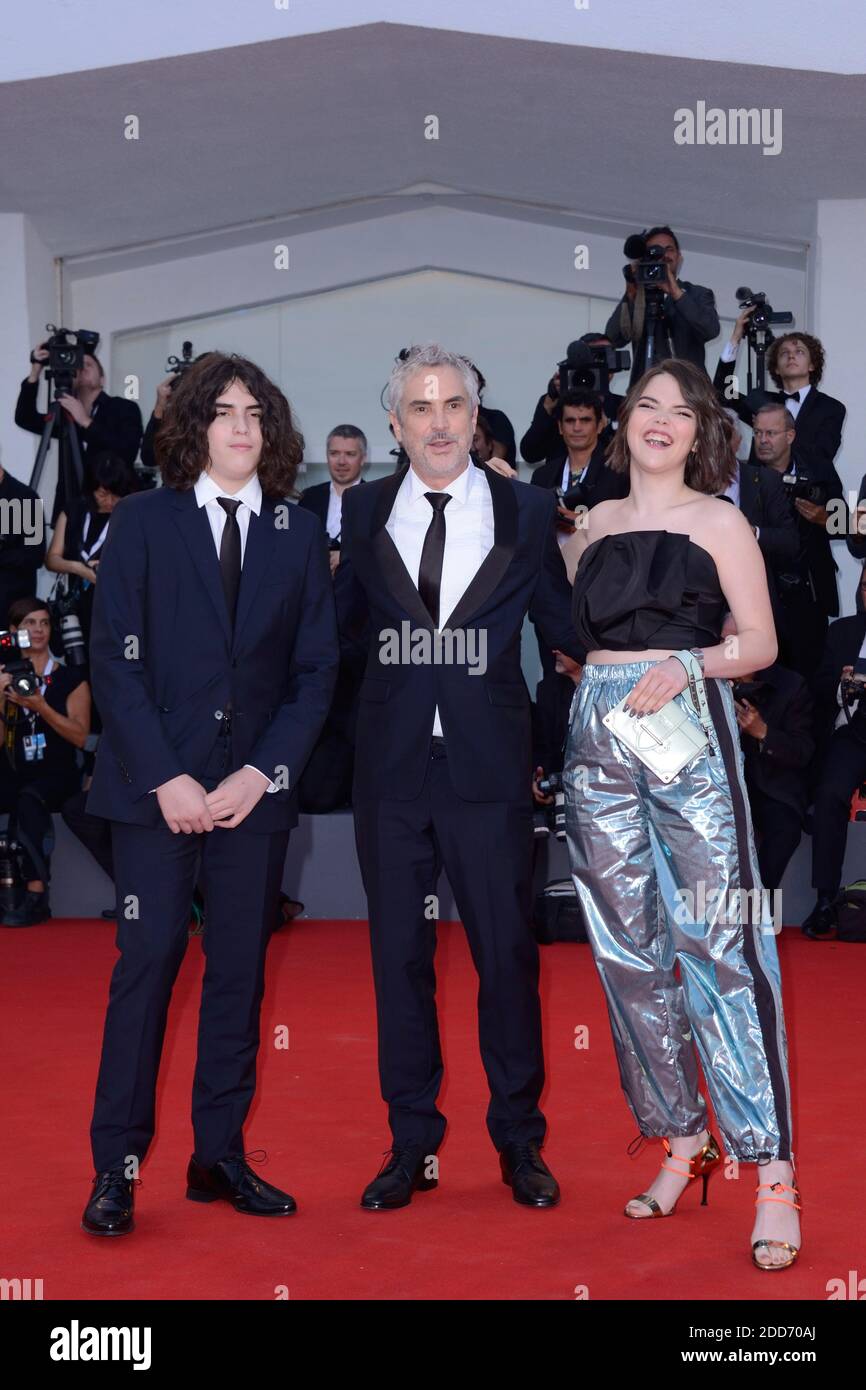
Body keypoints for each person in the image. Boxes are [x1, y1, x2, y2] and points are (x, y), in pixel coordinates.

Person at [80, 352, 338, 1237]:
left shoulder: (296, 531)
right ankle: (115, 1169)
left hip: (250, 799)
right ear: (193, 428)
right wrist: (168, 777)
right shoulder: (145, 524)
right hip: (155, 796)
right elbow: (112, 662)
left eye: (256, 414)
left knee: (238, 978)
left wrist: (256, 776)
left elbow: (315, 672)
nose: (241, 426)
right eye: (224, 411)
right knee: (147, 970)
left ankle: (217, 1157)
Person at [334, 342, 583, 1211]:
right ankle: (411, 1144)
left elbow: (566, 636)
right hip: (391, 777)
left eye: (454, 406)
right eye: (420, 407)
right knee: (397, 960)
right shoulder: (361, 514)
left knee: (506, 958)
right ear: (395, 425)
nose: (438, 422)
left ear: (476, 419)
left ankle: (520, 1141)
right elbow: (335, 640)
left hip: (490, 771)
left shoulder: (525, 509)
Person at [562, 359, 800, 1271]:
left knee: (720, 942)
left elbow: (763, 642)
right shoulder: (595, 522)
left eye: (680, 412)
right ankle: (679, 1138)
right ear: (623, 424)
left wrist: (695, 665)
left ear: (702, 432)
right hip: (600, 736)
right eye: (646, 407)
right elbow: (586, 636)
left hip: (690, 734)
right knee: (626, 954)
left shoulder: (720, 520)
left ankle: (772, 1171)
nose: (660, 422)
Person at [0, 599, 90, 926]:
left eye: (44, 623)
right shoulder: (4, 677)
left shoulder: (70, 678)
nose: (38, 630)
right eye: (28, 624)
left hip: (58, 774)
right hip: (14, 771)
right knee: (20, 791)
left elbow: (81, 737)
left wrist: (40, 706)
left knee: (29, 798)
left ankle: (37, 896)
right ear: (13, 633)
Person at [15, 342, 143, 522]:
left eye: (89, 365)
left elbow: (127, 451)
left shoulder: (123, 407)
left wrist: (85, 421)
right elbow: (24, 418)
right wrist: (35, 369)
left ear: (102, 379)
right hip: (72, 509)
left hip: (112, 506)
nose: (82, 368)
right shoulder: (66, 416)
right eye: (78, 365)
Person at [45, 450, 139, 653]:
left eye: (116, 495)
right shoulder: (74, 510)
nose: (110, 501)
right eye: (103, 494)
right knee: (77, 664)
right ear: (90, 490)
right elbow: (52, 560)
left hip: (115, 609)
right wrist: (79, 568)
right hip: (75, 607)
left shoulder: (132, 517)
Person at [605, 227, 720, 385]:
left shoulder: (697, 294)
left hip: (689, 391)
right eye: (654, 251)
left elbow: (711, 329)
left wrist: (676, 293)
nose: (663, 255)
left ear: (679, 257)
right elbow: (614, 338)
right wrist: (631, 295)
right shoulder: (638, 296)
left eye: (669, 249)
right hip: (644, 391)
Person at [297, 424, 367, 573]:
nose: (341, 461)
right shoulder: (308, 497)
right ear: (326, 456)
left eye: (350, 454)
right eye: (334, 453)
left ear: (363, 459)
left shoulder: (378, 500)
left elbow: (383, 554)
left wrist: (346, 557)